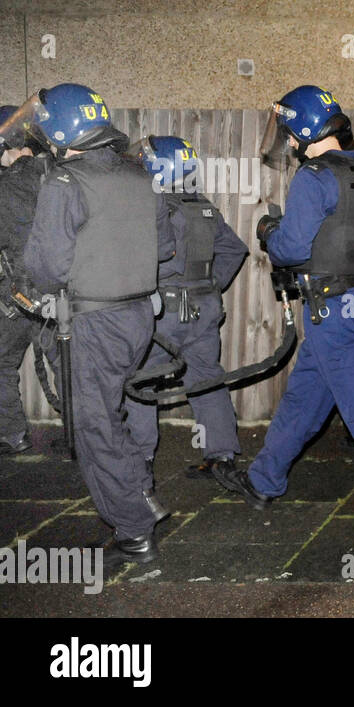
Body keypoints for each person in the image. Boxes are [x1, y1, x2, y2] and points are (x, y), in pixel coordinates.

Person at [211, 85, 354, 526]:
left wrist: (268, 232)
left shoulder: (314, 177)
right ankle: (264, 481)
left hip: (332, 311)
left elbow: (291, 248)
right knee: (303, 402)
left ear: (303, 128)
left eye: (291, 133)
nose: (290, 142)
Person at [8, 84, 176, 567]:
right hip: (139, 318)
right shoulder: (141, 175)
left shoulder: (64, 183)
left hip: (92, 322)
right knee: (111, 411)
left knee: (91, 428)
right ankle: (140, 492)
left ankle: (134, 529)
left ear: (62, 130)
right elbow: (163, 246)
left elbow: (44, 268)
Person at [121, 135, 248, 479]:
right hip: (203, 311)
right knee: (206, 379)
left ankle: (140, 462)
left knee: (139, 382)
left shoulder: (152, 207)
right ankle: (221, 456)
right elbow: (235, 250)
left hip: (163, 315)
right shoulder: (203, 206)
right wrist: (210, 286)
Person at [0, 104, 53, 455]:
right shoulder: (58, 176)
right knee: (68, 369)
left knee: (1, 363)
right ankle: (91, 437)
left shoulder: (7, 185)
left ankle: (12, 434)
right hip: (61, 291)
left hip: (17, 296)